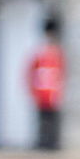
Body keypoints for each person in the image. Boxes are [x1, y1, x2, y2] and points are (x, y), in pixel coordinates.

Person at [27, 17, 66, 151]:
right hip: (42, 91)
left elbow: (62, 74)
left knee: (52, 119)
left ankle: (52, 143)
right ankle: (42, 142)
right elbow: (31, 73)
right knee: (41, 119)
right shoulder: (40, 54)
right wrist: (33, 91)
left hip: (53, 92)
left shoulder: (57, 53)